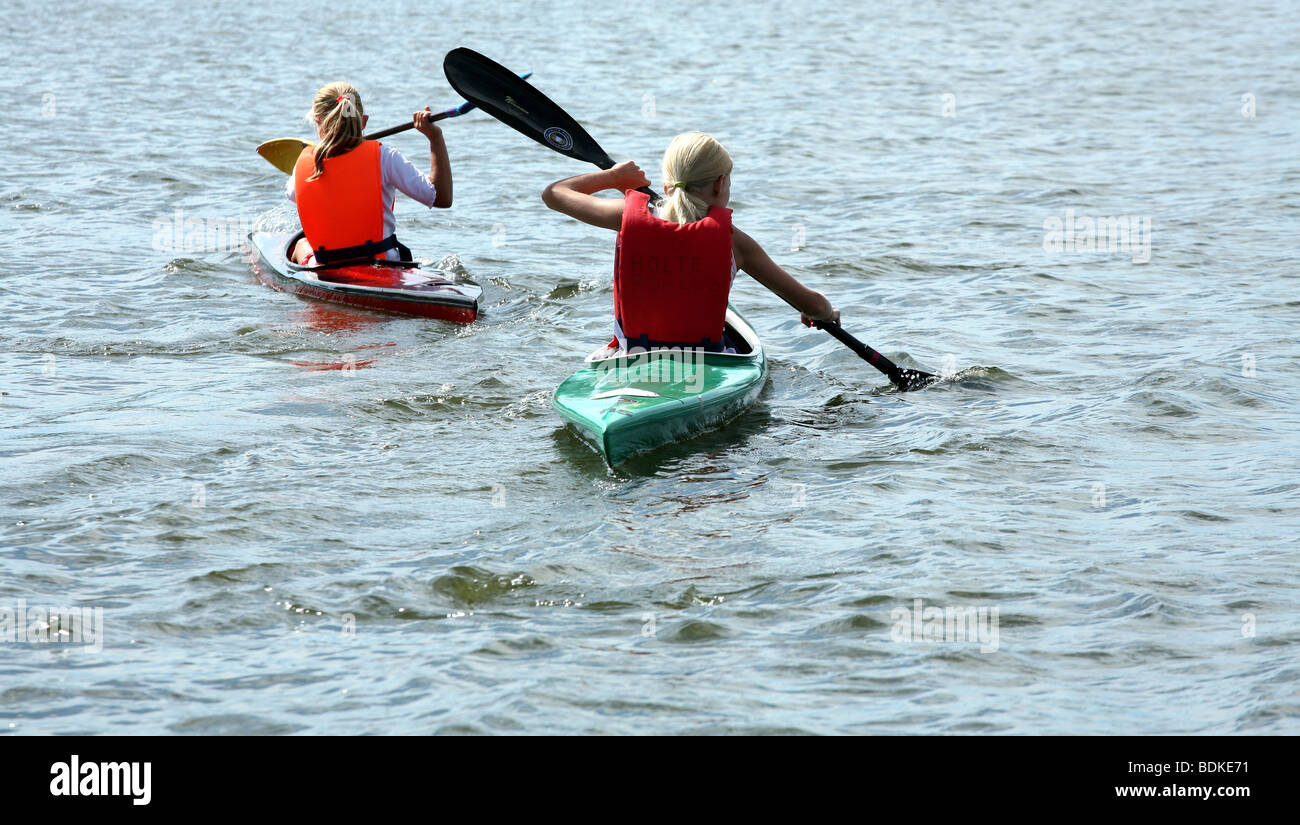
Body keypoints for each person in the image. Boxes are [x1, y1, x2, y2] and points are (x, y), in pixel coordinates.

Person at [541, 132, 839, 352]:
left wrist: (613, 177)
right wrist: (822, 312)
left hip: (633, 358)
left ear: (667, 184)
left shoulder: (624, 216)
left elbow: (554, 194)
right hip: (707, 364)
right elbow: (812, 303)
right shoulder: (736, 242)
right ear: (721, 183)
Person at [286, 82, 452, 266]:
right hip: (381, 265)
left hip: (326, 266)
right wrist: (435, 138)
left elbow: (294, 196)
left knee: (301, 243)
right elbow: (441, 198)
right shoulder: (385, 157)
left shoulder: (303, 163)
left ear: (317, 121)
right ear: (363, 121)